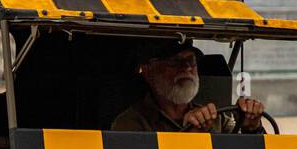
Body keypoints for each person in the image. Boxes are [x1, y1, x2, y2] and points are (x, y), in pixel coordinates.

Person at [111, 41, 265, 133]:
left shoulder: (217, 118)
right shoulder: (130, 124)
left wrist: (251, 127)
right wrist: (189, 140)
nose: (186, 68)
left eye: (191, 61)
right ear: (148, 71)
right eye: (174, 62)